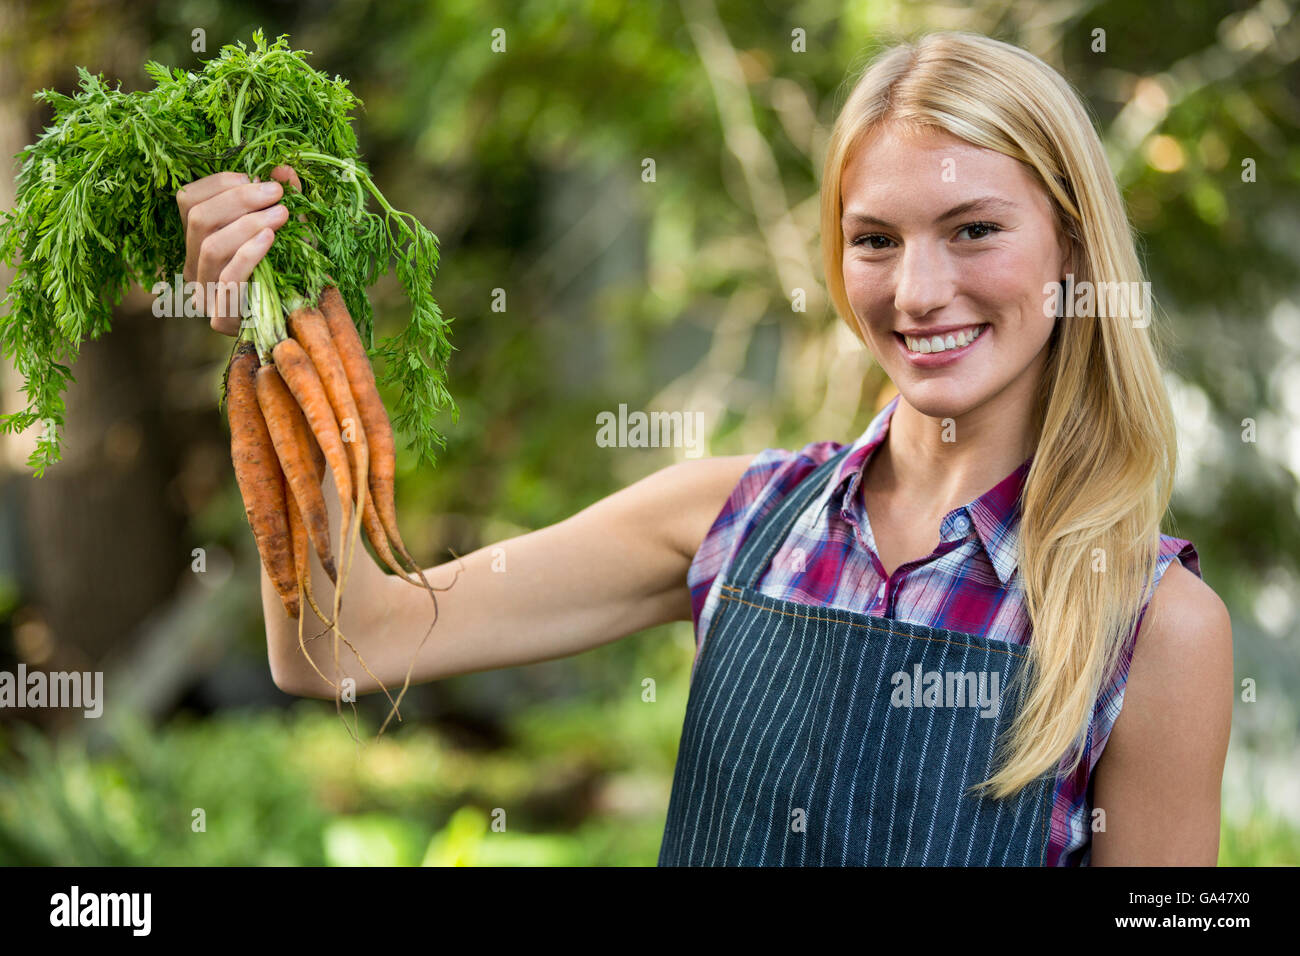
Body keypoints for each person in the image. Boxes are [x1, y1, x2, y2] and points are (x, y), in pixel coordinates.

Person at [175, 31, 1232, 866]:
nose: (915, 291)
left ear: (1075, 247)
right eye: (874, 239)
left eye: (973, 230)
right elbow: (339, 644)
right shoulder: (734, 520)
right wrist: (284, 331)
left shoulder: (1152, 625)